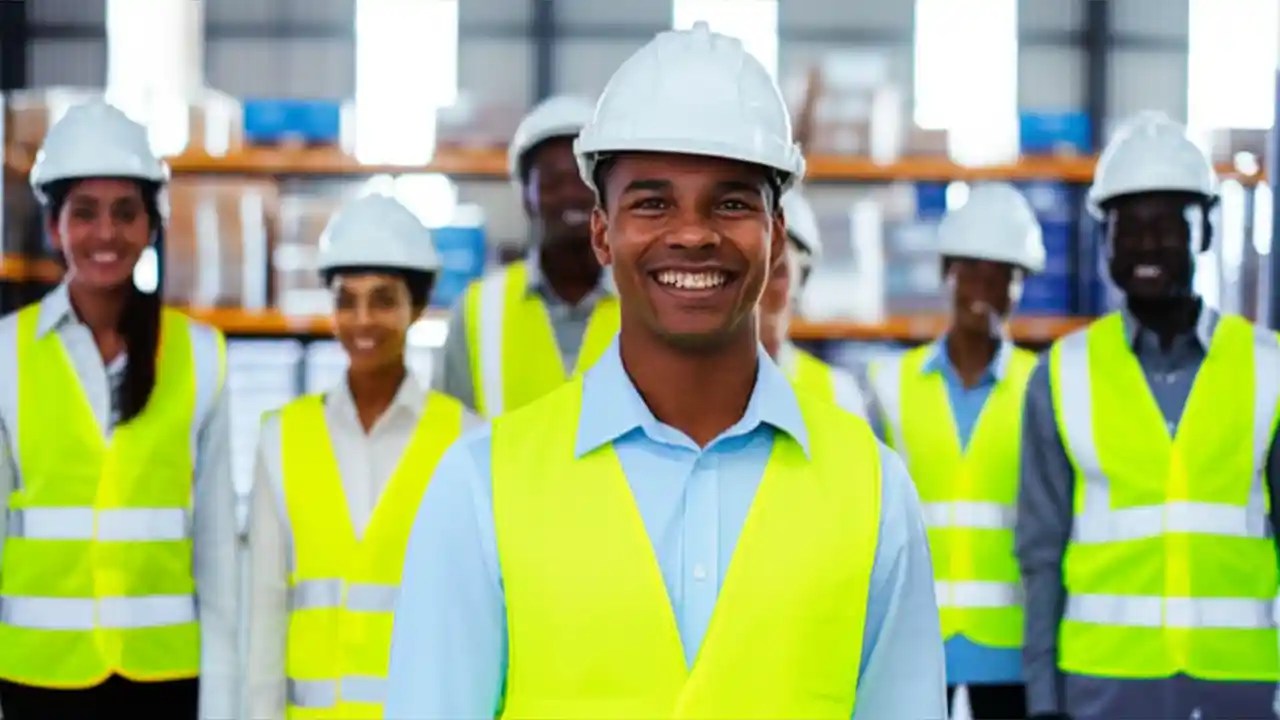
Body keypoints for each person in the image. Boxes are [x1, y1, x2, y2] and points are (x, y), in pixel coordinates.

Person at [384, 22, 946, 719]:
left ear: (776, 235)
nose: (692, 232)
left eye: (733, 201)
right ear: (601, 232)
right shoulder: (479, 492)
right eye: (652, 202)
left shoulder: (874, 494)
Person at [1016, 114, 1280, 720]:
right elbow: (1040, 551)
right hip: (1102, 684)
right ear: (1105, 241)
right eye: (1127, 227)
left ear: (1207, 230)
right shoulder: (1062, 373)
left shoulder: (1269, 367)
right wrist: (1043, 701)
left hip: (1240, 683)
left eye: (1169, 224)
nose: (1147, 244)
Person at [0, 101, 237, 720]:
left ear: (151, 226)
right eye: (84, 213)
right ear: (54, 228)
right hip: (36, 681)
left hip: (163, 680)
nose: (106, 233)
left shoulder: (201, 354)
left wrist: (224, 702)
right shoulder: (5, 354)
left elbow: (216, 553)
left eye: (125, 213)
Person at [245, 193, 480, 719]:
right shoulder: (281, 436)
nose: (363, 320)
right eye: (346, 300)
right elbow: (264, 612)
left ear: (417, 308)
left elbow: (470, 617)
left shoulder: (465, 441)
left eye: (383, 299)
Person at [868, 182, 1045, 720]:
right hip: (915, 641)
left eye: (1002, 274)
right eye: (971, 269)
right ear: (947, 271)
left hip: (1011, 650)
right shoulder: (889, 384)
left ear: (1021, 285)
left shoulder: (1044, 387)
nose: (983, 287)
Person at [435, 94, 620, 417]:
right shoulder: (479, 310)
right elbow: (450, 437)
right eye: (552, 181)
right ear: (525, 197)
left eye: (585, 179)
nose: (571, 194)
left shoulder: (649, 300)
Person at [759, 187, 868, 417]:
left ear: (802, 281)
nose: (757, 287)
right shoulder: (680, 387)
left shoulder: (837, 395)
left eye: (777, 270)